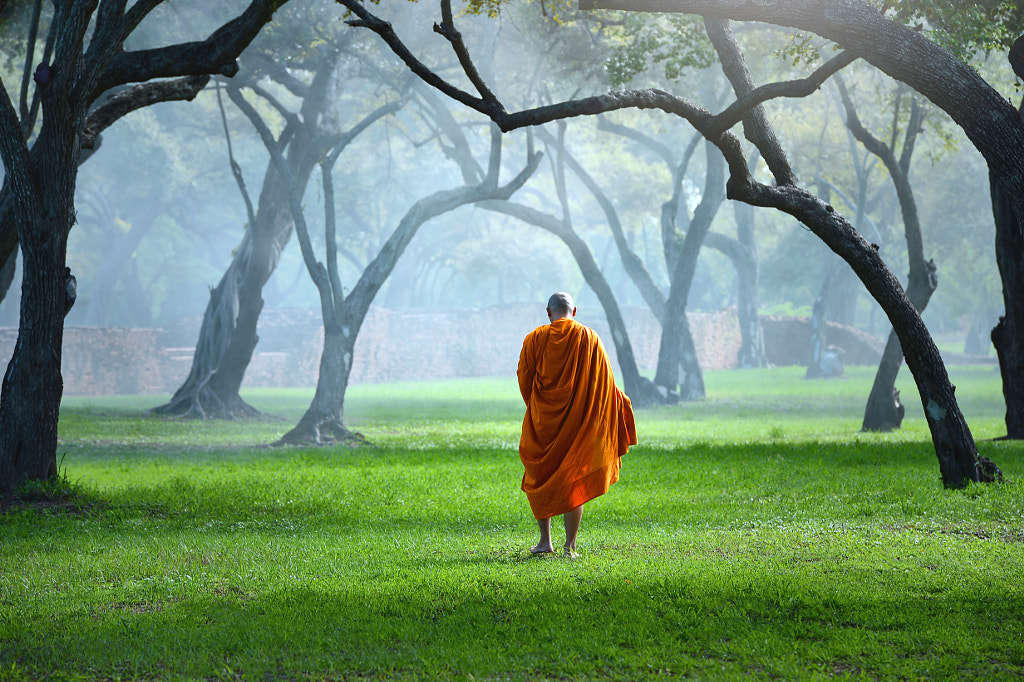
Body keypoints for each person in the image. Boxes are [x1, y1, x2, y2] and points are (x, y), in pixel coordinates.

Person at [516, 292, 637, 558]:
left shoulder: (535, 339)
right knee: (574, 479)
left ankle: (545, 541)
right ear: (575, 311)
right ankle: (569, 546)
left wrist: (538, 408)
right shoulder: (590, 339)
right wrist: (618, 404)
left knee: (541, 476)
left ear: (548, 312)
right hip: (580, 424)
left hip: (543, 423)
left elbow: (525, 380)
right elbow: (605, 382)